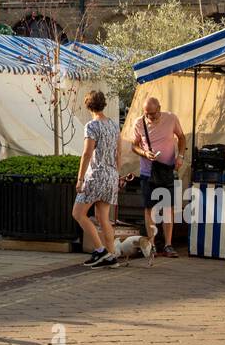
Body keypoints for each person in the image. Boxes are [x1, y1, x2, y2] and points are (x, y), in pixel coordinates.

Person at [73, 90, 123, 268]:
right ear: (103, 104)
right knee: (103, 218)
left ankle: (100, 250)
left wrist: (80, 179)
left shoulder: (91, 126)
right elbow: (119, 153)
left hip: (95, 175)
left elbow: (87, 154)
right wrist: (117, 174)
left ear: (88, 106)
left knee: (78, 214)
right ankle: (111, 256)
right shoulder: (114, 125)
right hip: (111, 175)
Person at [131, 96, 186, 258]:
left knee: (168, 208)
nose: (151, 118)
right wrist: (144, 153)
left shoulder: (171, 118)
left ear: (159, 109)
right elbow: (134, 145)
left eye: (153, 114)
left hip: (167, 170)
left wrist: (180, 156)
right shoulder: (139, 123)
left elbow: (182, 137)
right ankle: (152, 244)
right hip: (148, 172)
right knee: (150, 209)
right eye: (147, 114)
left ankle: (168, 244)